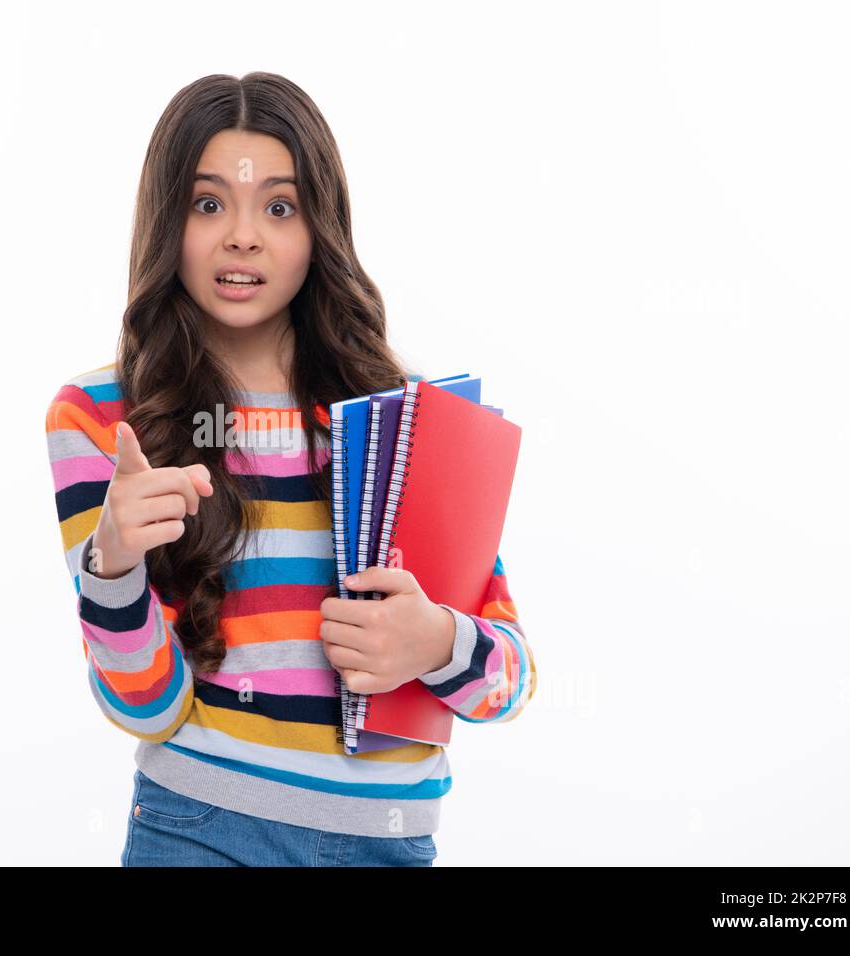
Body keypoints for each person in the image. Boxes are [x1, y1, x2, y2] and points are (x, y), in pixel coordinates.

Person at [45, 72, 536, 867]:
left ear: (321, 229)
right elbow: (142, 706)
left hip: (387, 847)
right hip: (197, 832)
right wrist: (114, 564)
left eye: (280, 206)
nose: (244, 236)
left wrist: (435, 642)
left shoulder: (404, 416)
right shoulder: (103, 415)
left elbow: (508, 680)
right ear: (167, 220)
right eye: (209, 204)